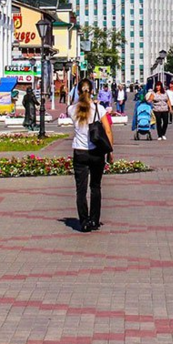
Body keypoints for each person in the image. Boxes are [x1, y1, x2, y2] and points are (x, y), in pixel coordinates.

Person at [71, 81, 113, 232]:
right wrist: (110, 152)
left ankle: (83, 221)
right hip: (96, 153)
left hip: (79, 152)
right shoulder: (99, 108)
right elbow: (107, 131)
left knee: (80, 190)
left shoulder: (72, 109)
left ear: (77, 91)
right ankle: (94, 220)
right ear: (92, 90)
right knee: (95, 187)